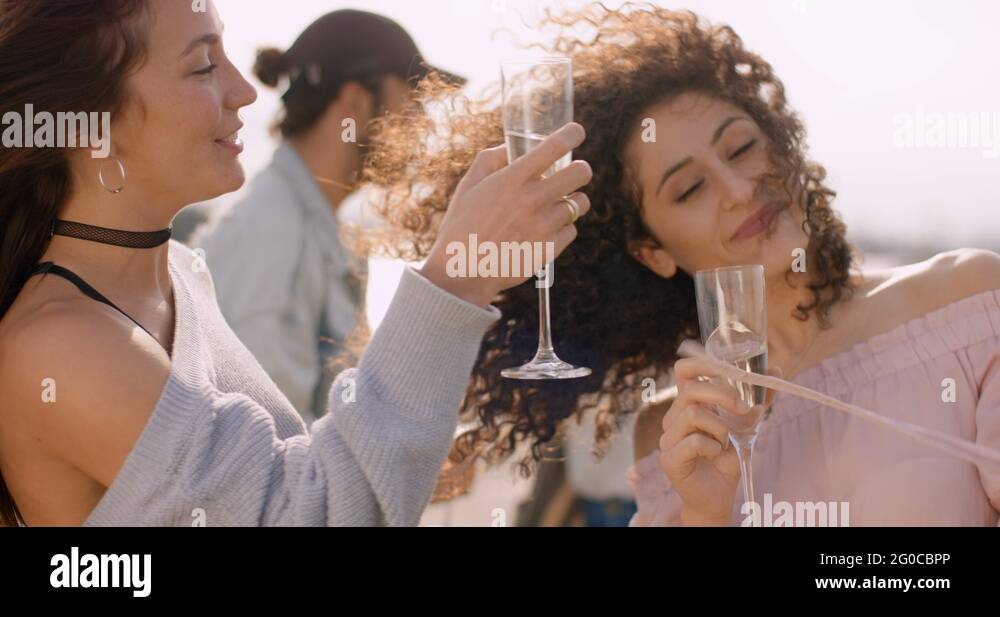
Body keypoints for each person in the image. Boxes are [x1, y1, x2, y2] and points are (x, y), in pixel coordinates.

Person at [363, 4, 1000, 525]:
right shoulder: (671, 432)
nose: (739, 188)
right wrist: (705, 512)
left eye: (743, 147)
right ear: (652, 253)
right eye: (689, 189)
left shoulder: (967, 300)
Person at [0, 0, 592, 526]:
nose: (244, 91)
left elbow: (282, 477)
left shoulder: (180, 272)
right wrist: (457, 278)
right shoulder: (61, 345)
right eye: (203, 66)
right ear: (94, 119)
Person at [197, 10, 465, 425]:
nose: (424, 122)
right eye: (413, 99)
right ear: (356, 102)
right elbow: (276, 459)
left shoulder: (315, 223)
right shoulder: (275, 238)